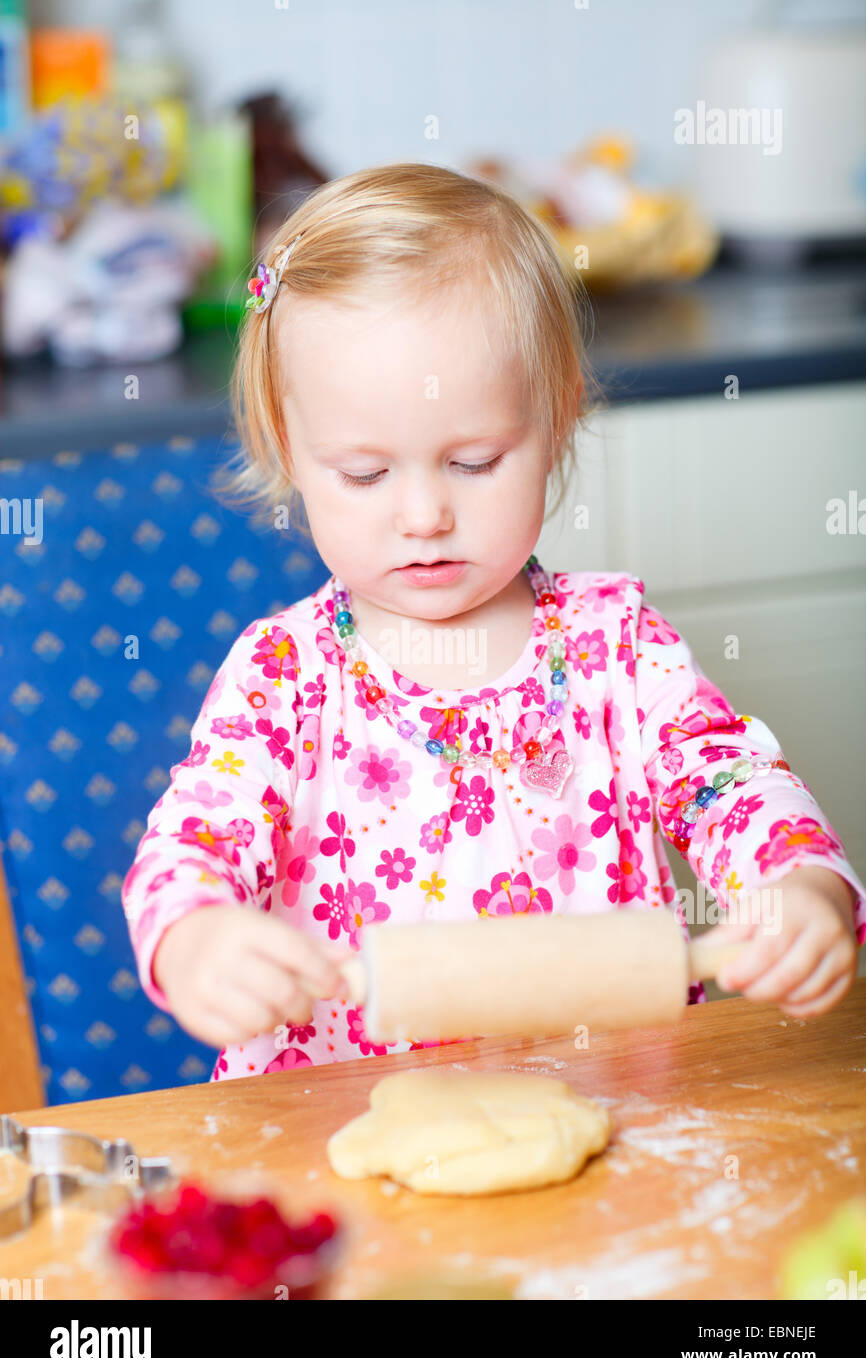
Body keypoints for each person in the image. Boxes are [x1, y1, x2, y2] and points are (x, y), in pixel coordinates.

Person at [121, 162, 864, 1081]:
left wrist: (804, 889)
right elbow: (193, 839)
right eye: (364, 474)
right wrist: (192, 936)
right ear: (290, 451)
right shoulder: (285, 676)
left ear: (553, 423)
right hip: (338, 1133)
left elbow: (731, 783)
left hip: (623, 1117)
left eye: (473, 461)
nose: (424, 514)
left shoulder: (614, 646)